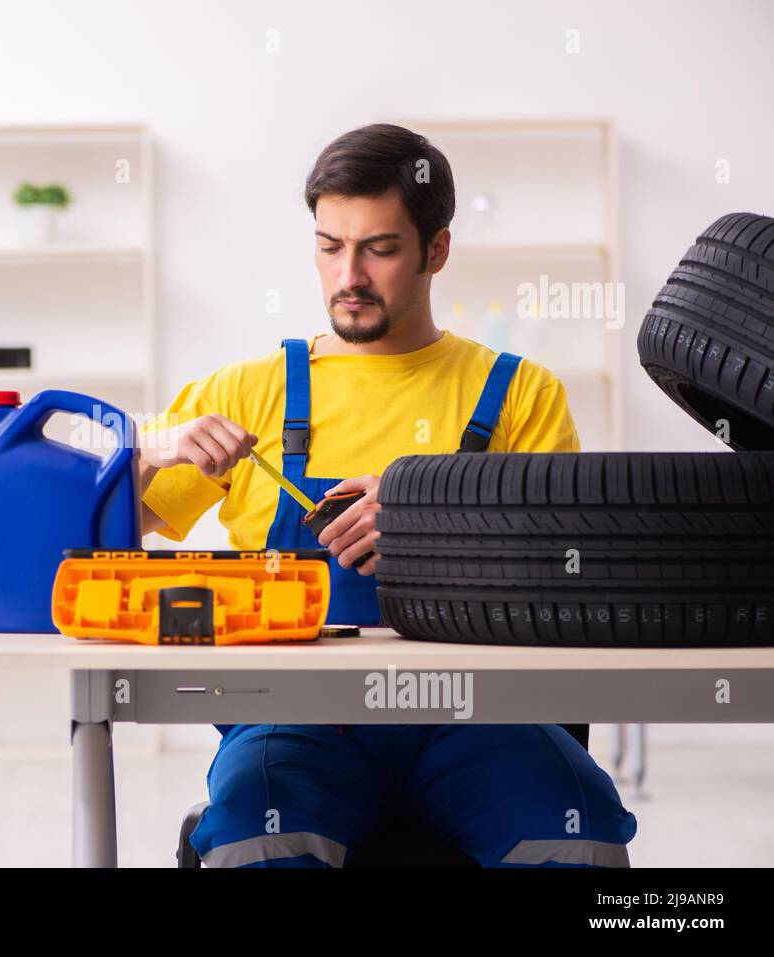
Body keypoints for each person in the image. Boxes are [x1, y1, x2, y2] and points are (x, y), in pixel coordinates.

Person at [137, 124, 638, 868]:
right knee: (258, 836)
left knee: (579, 832)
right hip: (293, 722)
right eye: (330, 245)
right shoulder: (247, 391)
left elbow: (564, 576)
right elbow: (105, 530)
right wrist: (148, 453)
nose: (349, 275)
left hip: (482, 718)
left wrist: (431, 518)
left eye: (380, 247)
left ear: (435, 250)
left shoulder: (519, 393)